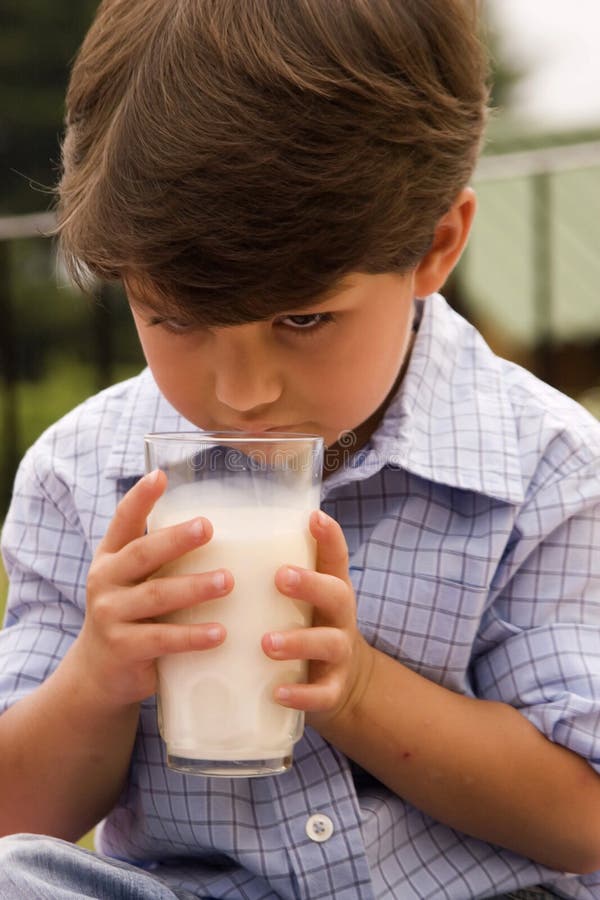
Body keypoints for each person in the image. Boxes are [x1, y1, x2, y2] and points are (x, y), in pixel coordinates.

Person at [0, 1, 599, 897]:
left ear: (435, 246)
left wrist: (356, 687)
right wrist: (97, 676)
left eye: (305, 319)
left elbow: (583, 817)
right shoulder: (79, 477)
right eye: (177, 319)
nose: (243, 393)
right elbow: (21, 818)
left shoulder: (547, 470)